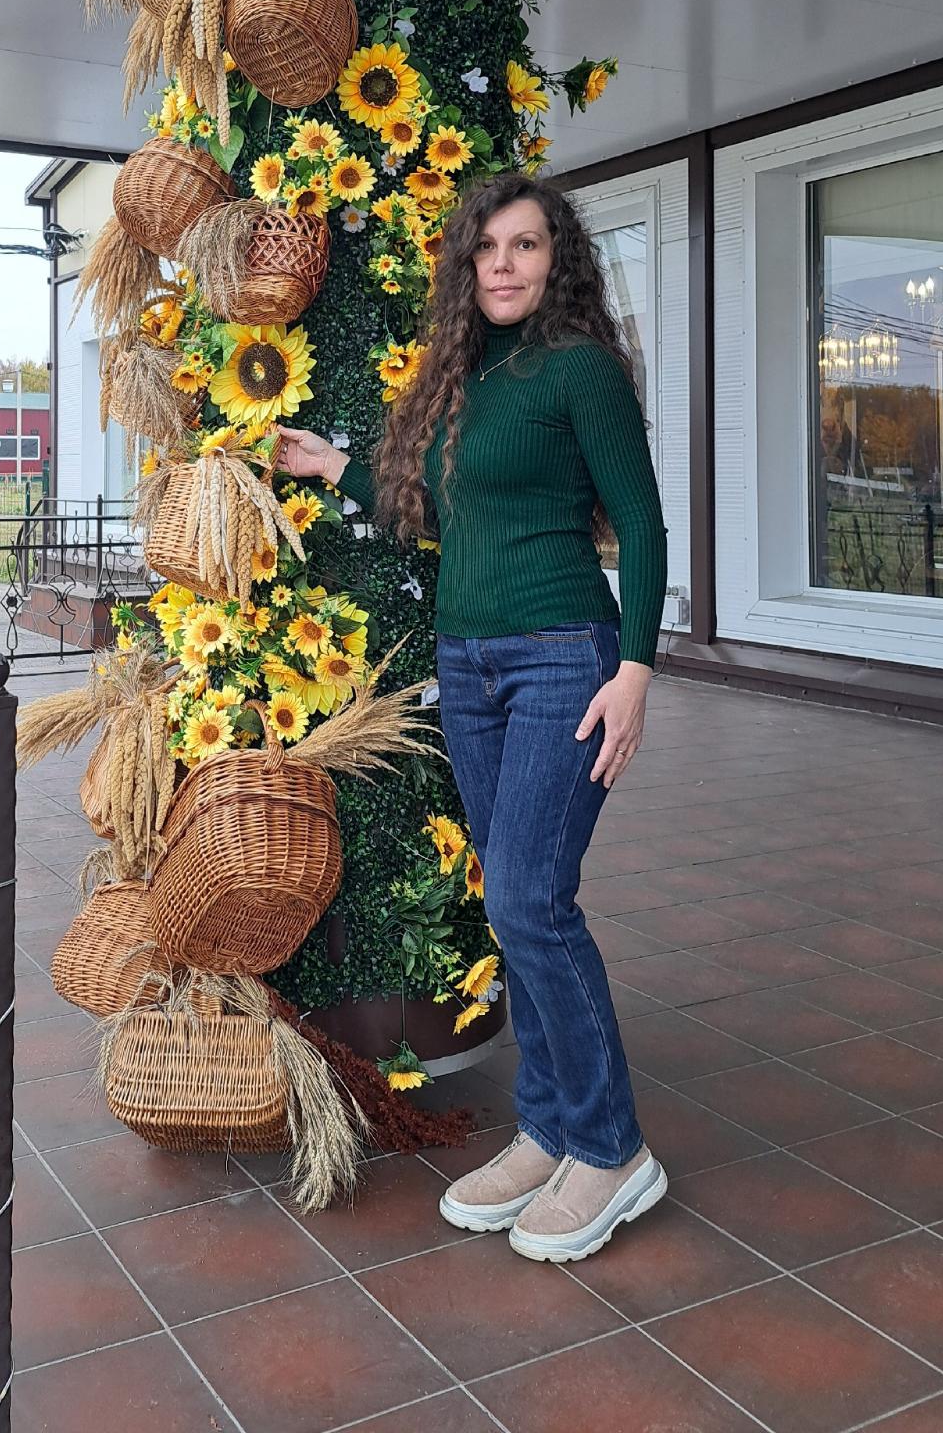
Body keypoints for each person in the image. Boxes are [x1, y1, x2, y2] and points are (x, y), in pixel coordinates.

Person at [276, 172, 669, 1263]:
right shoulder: (467, 377)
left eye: (527, 244)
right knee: (512, 899)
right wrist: (336, 467)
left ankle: (612, 1146)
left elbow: (639, 521)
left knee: (538, 900)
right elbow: (444, 519)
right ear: (466, 264)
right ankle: (549, 1128)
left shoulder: (580, 370)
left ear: (559, 261)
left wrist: (636, 667)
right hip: (472, 663)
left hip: (561, 659)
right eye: (488, 246)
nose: (505, 263)